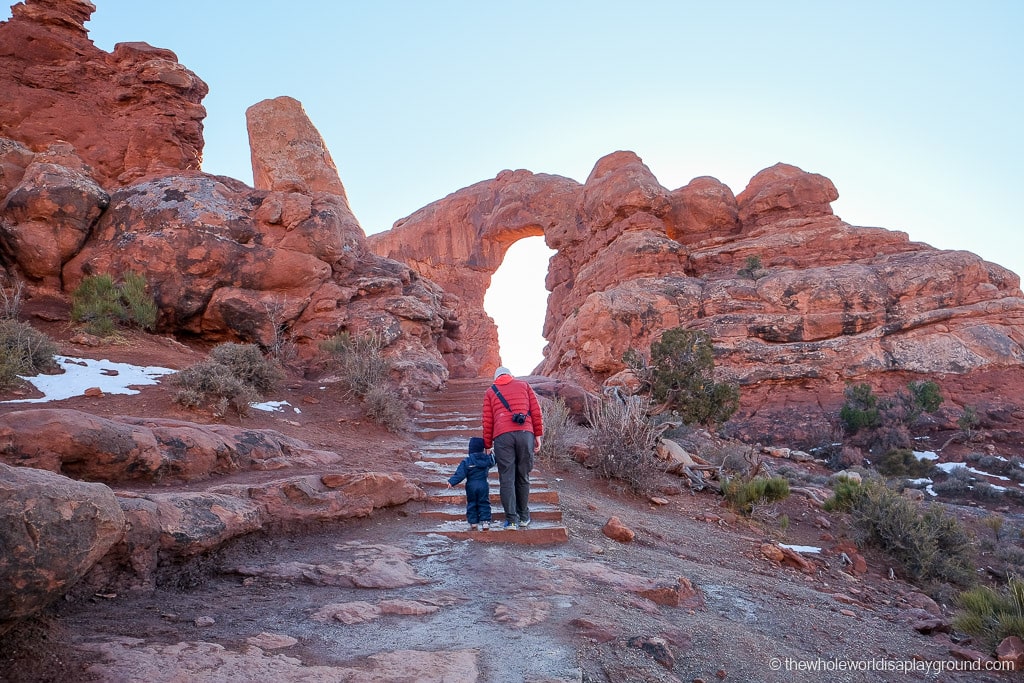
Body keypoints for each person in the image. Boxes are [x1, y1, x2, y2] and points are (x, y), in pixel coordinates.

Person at [482, 366, 543, 530]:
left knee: (507, 478)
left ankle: (511, 520)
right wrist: (537, 435)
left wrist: (487, 444)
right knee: (523, 476)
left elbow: (488, 421)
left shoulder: (491, 391)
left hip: (503, 437)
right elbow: (536, 412)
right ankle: (523, 516)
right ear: (510, 375)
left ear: (496, 378)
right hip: (525, 434)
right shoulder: (524, 385)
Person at [447, 436, 495, 531]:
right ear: (482, 449)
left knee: (472, 502)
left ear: (470, 449)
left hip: (471, 485)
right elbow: (493, 462)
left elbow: (460, 474)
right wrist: (490, 454)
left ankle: (473, 522)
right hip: (483, 484)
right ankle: (485, 522)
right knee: (484, 502)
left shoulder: (467, 461)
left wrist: (452, 482)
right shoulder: (486, 459)